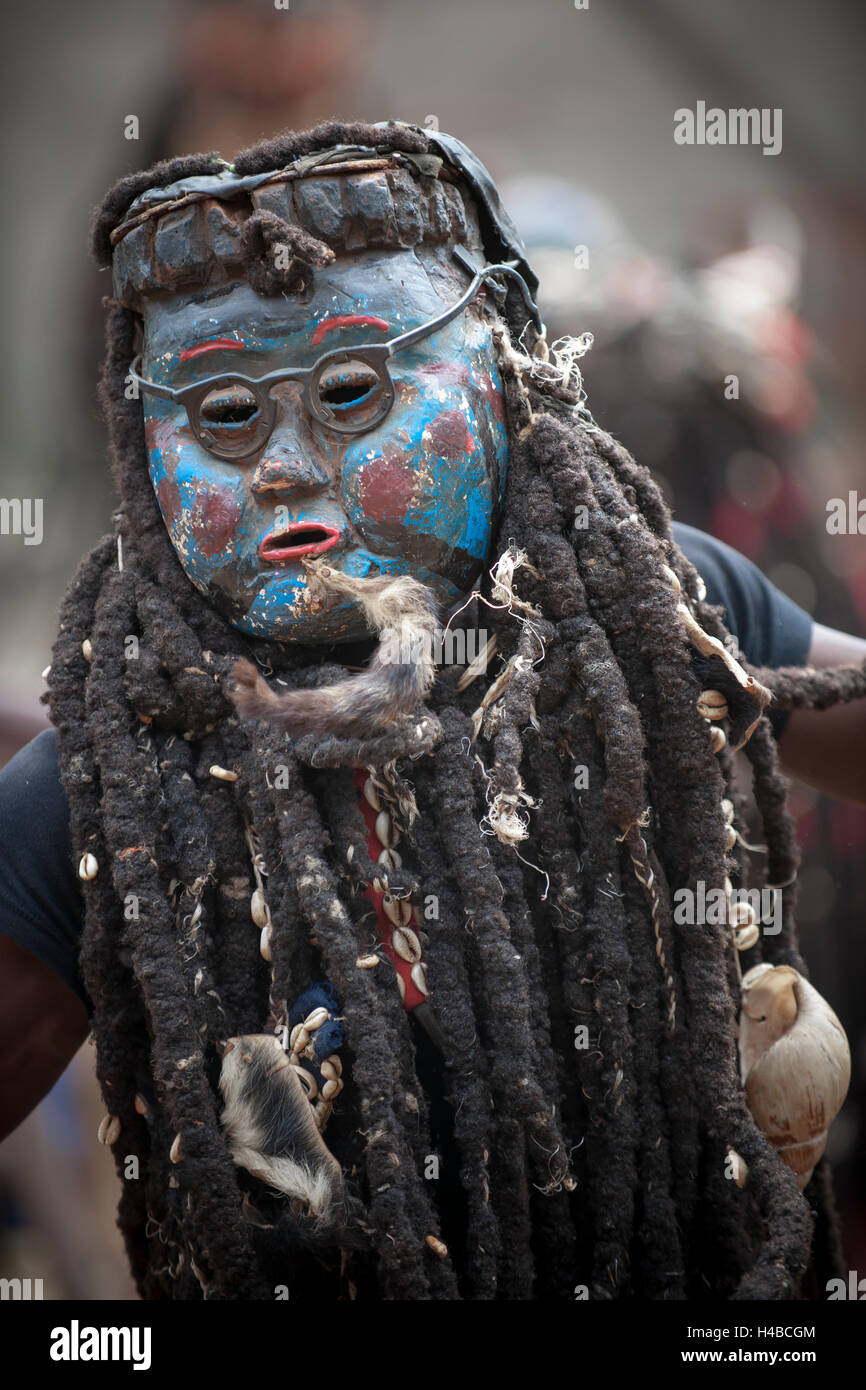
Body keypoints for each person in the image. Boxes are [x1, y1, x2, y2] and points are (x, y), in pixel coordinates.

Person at [1, 120, 864, 1301]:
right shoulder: (108, 784)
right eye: (224, 416)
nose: (284, 470)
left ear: (504, 379)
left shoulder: (654, 611)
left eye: (352, 392)